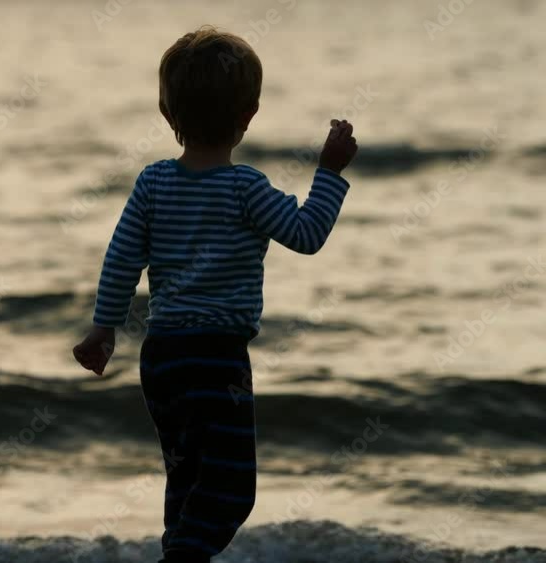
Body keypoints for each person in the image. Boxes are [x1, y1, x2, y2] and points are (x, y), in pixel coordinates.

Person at [72, 26, 359, 562]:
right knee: (230, 490)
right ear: (249, 114)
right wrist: (329, 172)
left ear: (166, 113)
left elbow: (121, 260)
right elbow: (307, 235)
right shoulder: (245, 187)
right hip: (217, 356)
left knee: (187, 480)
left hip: (162, 357)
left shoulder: (153, 183)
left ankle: (178, 552)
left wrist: (103, 328)